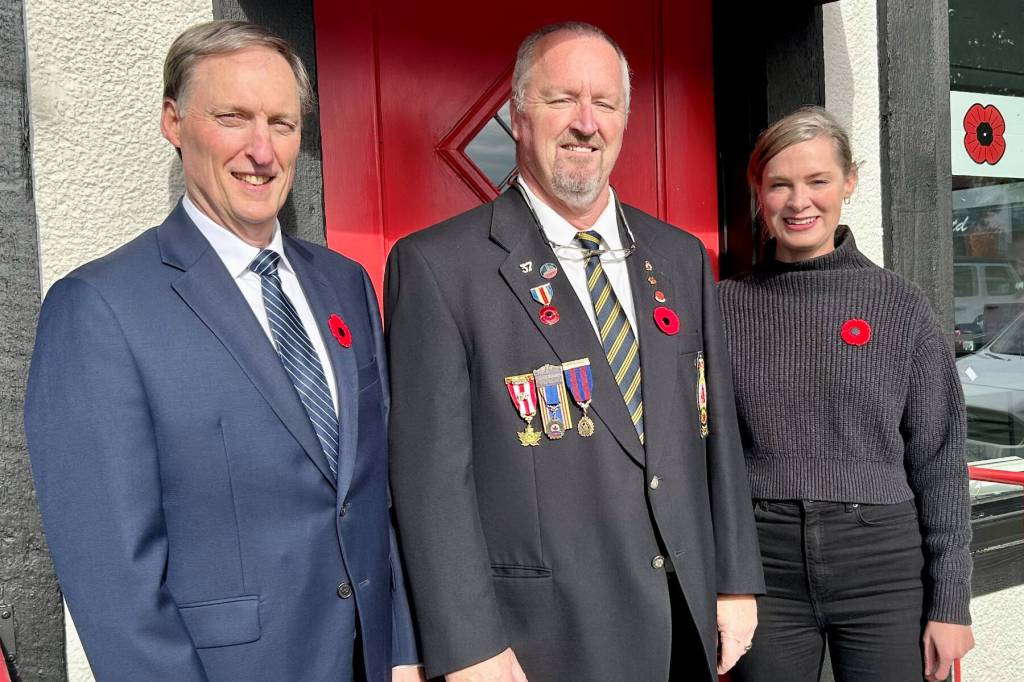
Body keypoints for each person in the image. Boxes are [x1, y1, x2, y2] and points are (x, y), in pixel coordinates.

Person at [24, 20, 421, 682]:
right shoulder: (99, 309)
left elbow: (371, 495)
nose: (262, 150)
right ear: (173, 122)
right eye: (233, 118)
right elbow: (114, 584)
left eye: (282, 124)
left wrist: (403, 652)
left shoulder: (344, 284)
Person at [385, 22, 763, 682]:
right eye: (563, 99)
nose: (585, 123)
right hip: (541, 640)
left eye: (605, 103)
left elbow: (715, 432)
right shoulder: (439, 266)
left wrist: (734, 579)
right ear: (517, 116)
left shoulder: (679, 258)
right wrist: (467, 644)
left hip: (682, 621)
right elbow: (430, 481)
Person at [719, 106, 975, 682]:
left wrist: (951, 602)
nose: (798, 201)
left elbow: (940, 461)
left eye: (818, 181)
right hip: (763, 565)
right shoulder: (722, 307)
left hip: (882, 562)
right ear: (758, 193)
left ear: (849, 183)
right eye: (779, 184)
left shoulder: (899, 305)